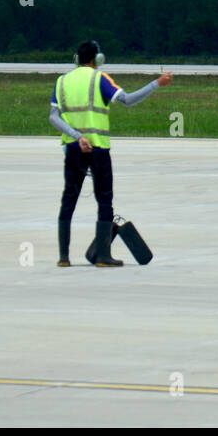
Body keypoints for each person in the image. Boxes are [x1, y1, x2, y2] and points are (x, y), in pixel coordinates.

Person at [49, 41, 173, 267]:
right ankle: (104, 257)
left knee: (69, 199)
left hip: (74, 149)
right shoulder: (99, 79)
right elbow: (128, 100)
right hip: (98, 148)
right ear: (97, 60)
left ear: (76, 59)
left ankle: (64, 257)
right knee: (104, 199)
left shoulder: (61, 81)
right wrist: (156, 83)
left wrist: (77, 136)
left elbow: (53, 117)